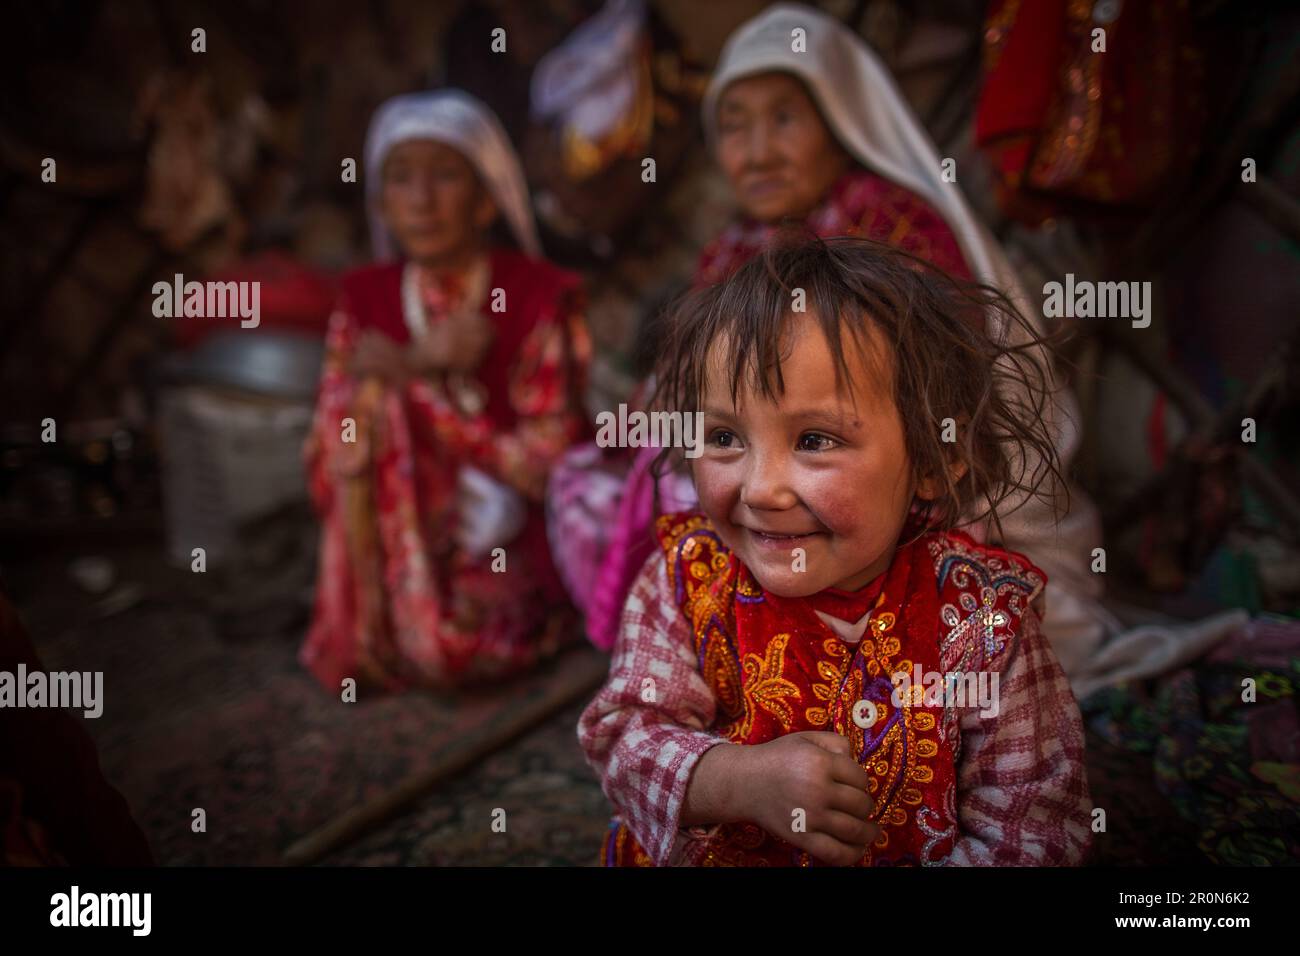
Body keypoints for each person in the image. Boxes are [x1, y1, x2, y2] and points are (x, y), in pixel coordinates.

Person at [550, 3, 1108, 684]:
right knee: (595, 482)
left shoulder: (892, 226)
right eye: (734, 125)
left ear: (839, 122)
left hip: (894, 484)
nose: (756, 151)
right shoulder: (736, 246)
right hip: (772, 474)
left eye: (784, 119)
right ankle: (713, 663)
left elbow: (926, 408)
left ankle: (773, 668)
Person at [579, 237, 1093, 866]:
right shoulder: (684, 581)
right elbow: (622, 737)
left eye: (815, 439)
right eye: (724, 437)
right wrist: (739, 779)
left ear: (937, 458)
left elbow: (1033, 832)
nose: (761, 489)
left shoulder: (984, 624)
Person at [301, 90, 591, 690]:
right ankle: (390, 614)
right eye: (401, 180)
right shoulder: (362, 301)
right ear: (382, 203)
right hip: (400, 544)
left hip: (515, 531)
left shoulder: (535, 296)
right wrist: (417, 371)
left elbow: (546, 463)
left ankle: (427, 624)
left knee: (460, 646)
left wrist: (411, 382)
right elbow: (329, 454)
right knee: (365, 404)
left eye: (444, 176)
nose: (422, 200)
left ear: (485, 199)